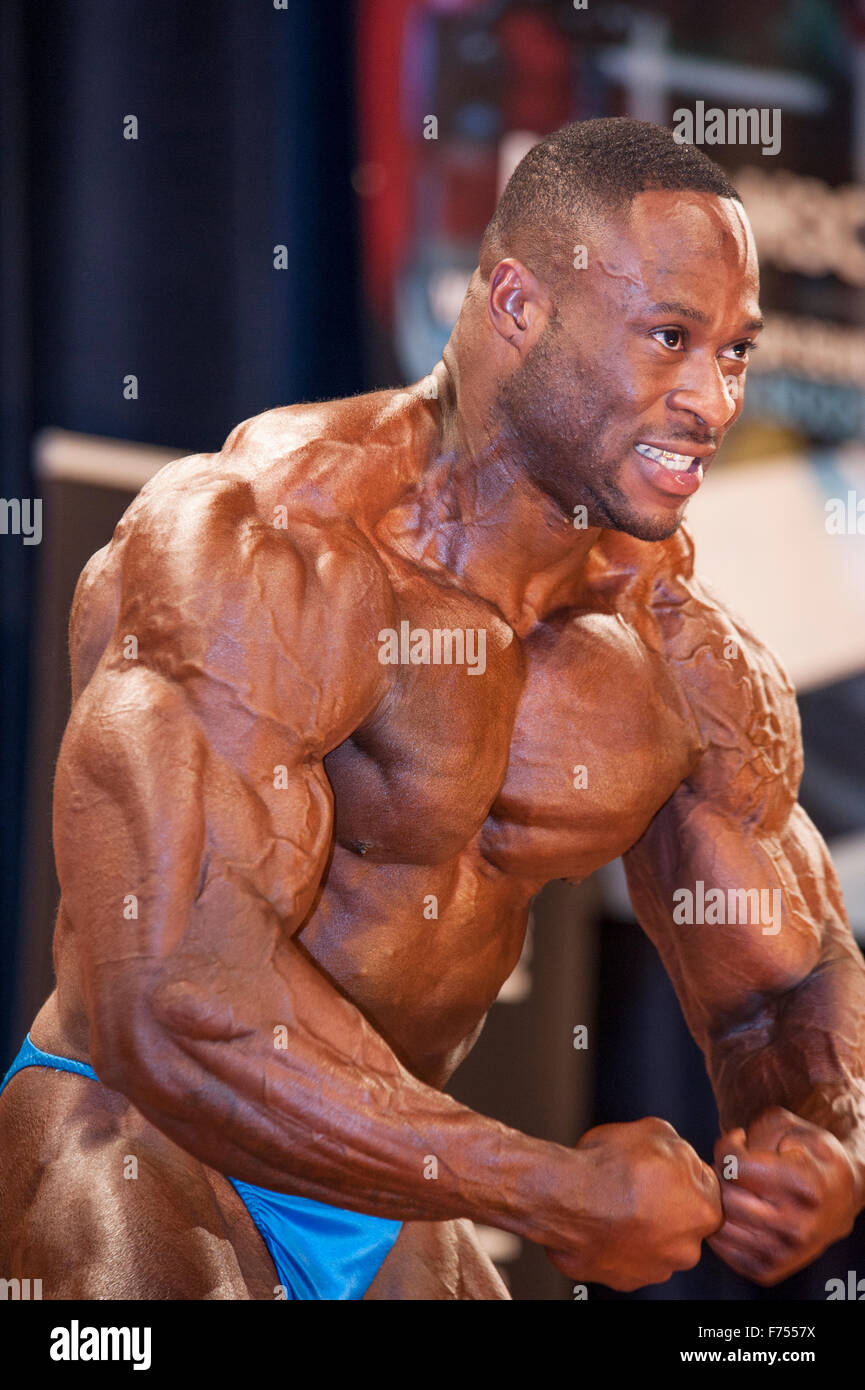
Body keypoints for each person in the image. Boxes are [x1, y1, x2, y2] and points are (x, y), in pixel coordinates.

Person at [2, 118, 863, 1300]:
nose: (712, 400)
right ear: (515, 302)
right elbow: (174, 1000)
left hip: (395, 1189)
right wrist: (546, 1190)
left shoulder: (671, 649)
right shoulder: (269, 545)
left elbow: (784, 983)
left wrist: (819, 1139)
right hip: (151, 1137)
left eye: (734, 352)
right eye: (669, 338)